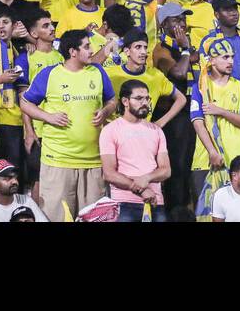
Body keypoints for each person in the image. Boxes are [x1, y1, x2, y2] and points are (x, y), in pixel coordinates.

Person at [18, 28, 117, 222]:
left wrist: (105, 111)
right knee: (57, 218)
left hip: (93, 162)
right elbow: (25, 103)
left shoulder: (98, 72)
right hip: (58, 162)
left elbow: (112, 100)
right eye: (87, 46)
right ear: (72, 51)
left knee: (94, 219)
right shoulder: (50, 74)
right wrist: (48, 117)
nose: (91, 51)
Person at [99, 78, 171, 222]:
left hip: (155, 202)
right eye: (138, 98)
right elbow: (109, 174)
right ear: (125, 101)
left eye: (147, 98)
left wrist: (147, 178)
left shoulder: (156, 131)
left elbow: (166, 170)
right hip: (124, 203)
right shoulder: (110, 130)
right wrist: (141, 189)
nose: (145, 103)